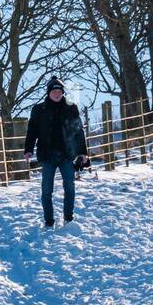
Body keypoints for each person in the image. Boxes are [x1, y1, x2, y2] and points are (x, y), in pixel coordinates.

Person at [23, 75, 90, 228]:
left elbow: (78, 131)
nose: (57, 93)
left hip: (67, 155)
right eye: (54, 91)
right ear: (48, 93)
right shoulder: (39, 109)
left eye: (59, 90)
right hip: (47, 155)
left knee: (70, 187)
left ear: (62, 92)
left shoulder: (71, 107)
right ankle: (49, 221)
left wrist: (82, 153)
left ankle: (68, 218)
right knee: (47, 190)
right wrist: (28, 150)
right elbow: (32, 131)